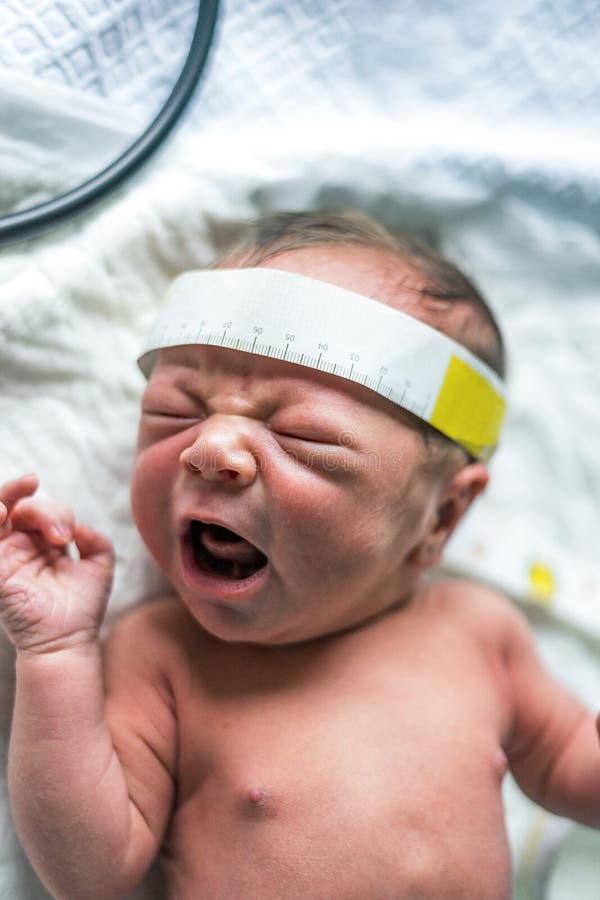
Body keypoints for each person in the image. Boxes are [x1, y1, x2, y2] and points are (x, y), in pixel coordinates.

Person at [0, 211, 599, 900]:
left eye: (303, 435)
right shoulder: (163, 657)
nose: (211, 448)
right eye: (176, 414)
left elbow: (572, 769)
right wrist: (54, 654)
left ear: (442, 513)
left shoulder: (479, 633)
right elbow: (88, 875)